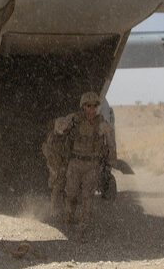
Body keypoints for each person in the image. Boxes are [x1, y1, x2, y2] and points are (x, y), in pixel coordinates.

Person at [50, 92, 116, 240]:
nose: (92, 109)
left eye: (95, 106)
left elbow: (111, 141)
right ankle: (69, 217)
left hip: (92, 165)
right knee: (71, 193)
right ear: (83, 107)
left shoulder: (102, 123)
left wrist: (111, 161)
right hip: (75, 163)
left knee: (87, 198)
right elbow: (57, 127)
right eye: (88, 106)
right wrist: (65, 126)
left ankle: (83, 229)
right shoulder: (75, 119)